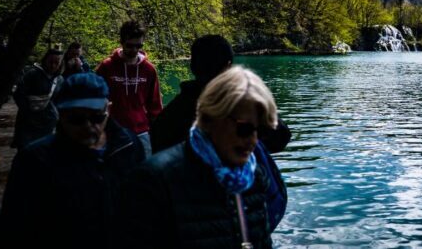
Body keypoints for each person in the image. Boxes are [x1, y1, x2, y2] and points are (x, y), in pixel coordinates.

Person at [116, 66, 287, 249]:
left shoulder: (254, 176)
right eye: (244, 129)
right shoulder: (153, 181)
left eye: (260, 131)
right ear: (210, 118)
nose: (253, 141)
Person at [0, 73, 145, 249]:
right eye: (77, 119)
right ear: (61, 114)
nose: (88, 126)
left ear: (108, 110)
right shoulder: (35, 160)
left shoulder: (129, 145)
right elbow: (13, 229)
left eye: (96, 117)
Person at [151, 34, 291, 154]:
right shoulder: (241, 110)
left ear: (192, 67)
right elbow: (281, 137)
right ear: (228, 67)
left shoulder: (167, 118)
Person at [96, 20, 161, 157]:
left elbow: (154, 104)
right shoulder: (106, 67)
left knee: (145, 173)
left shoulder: (149, 70)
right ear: (121, 42)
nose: (135, 50)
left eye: (139, 46)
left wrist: (157, 129)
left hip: (142, 131)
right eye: (130, 46)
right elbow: (97, 99)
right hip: (114, 131)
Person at [11, 46, 63, 149]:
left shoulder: (60, 80)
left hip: (48, 122)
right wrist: (27, 111)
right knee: (25, 150)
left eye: (56, 63)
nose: (53, 65)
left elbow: (59, 100)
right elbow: (19, 94)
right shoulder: (32, 74)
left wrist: (55, 114)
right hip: (28, 121)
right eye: (50, 61)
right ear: (45, 60)